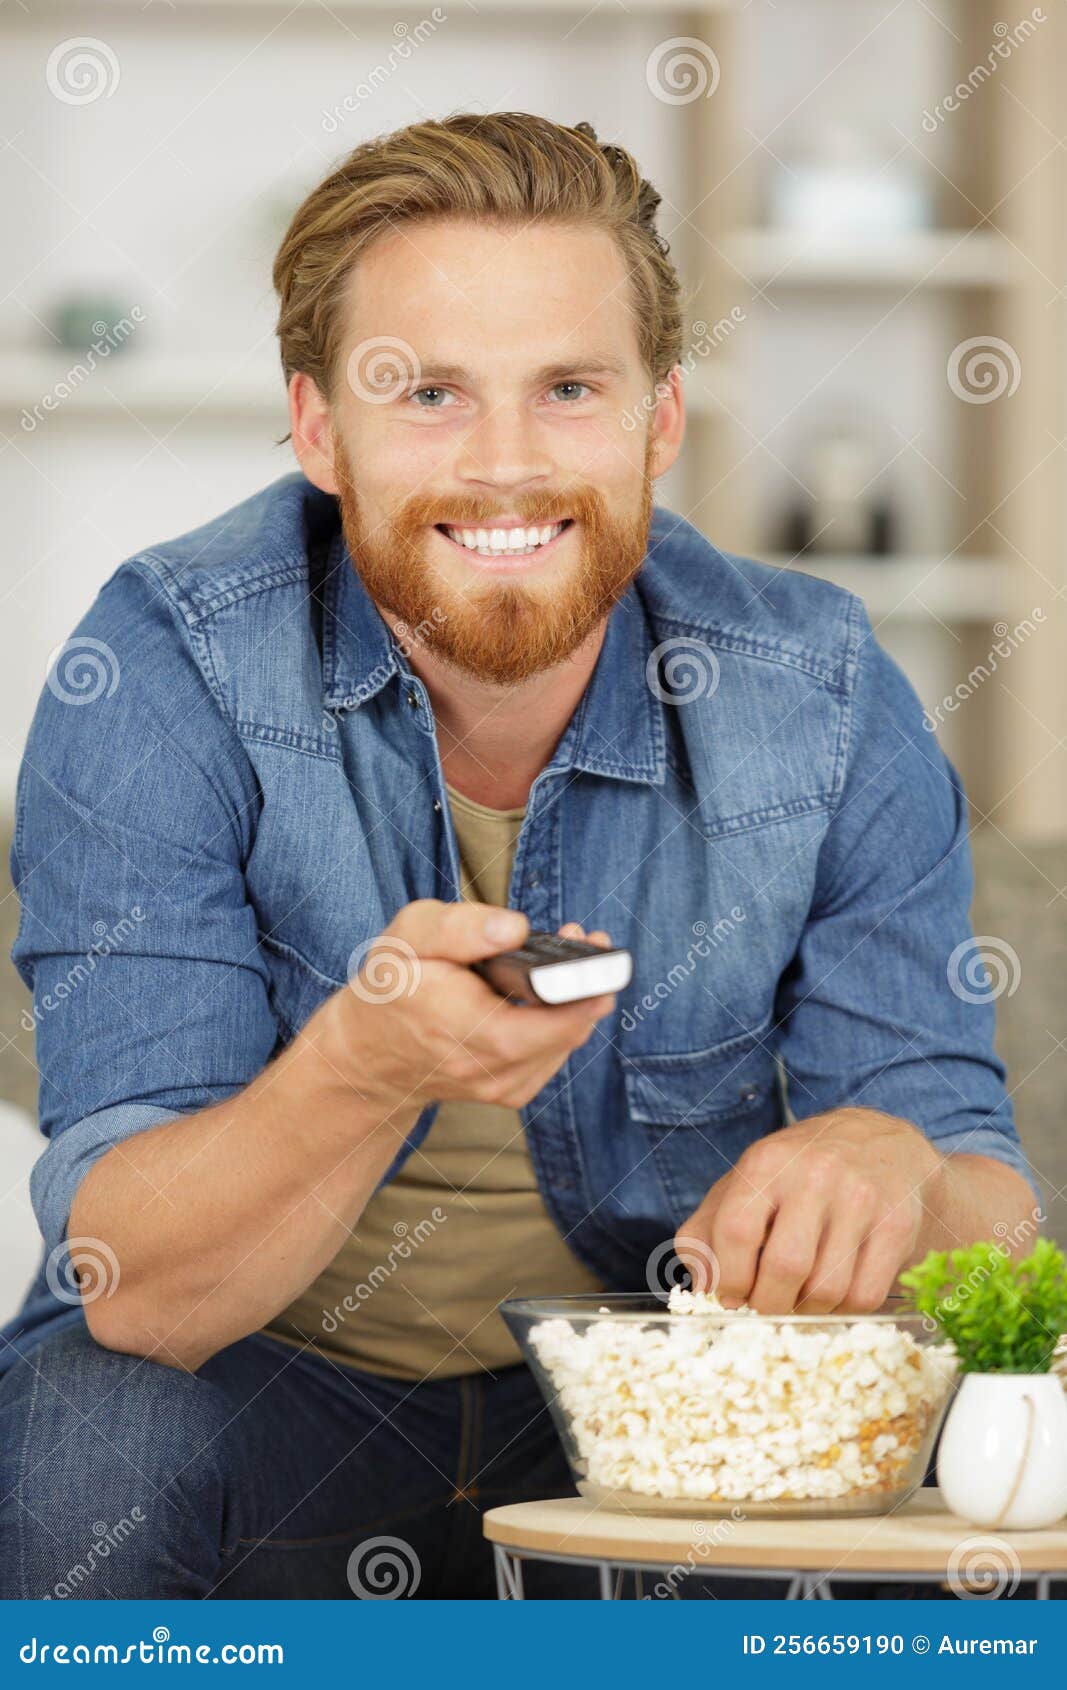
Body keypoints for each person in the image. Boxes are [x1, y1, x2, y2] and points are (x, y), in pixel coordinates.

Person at [0, 112, 1039, 1600]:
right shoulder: (167, 669)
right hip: (269, 1389)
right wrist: (362, 1064)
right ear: (316, 431)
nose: (504, 467)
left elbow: (992, 1222)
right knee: (78, 1443)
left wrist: (900, 1164)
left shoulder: (817, 688)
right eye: (425, 393)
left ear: (660, 418)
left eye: (568, 389)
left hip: (667, 1410)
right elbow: (139, 1289)